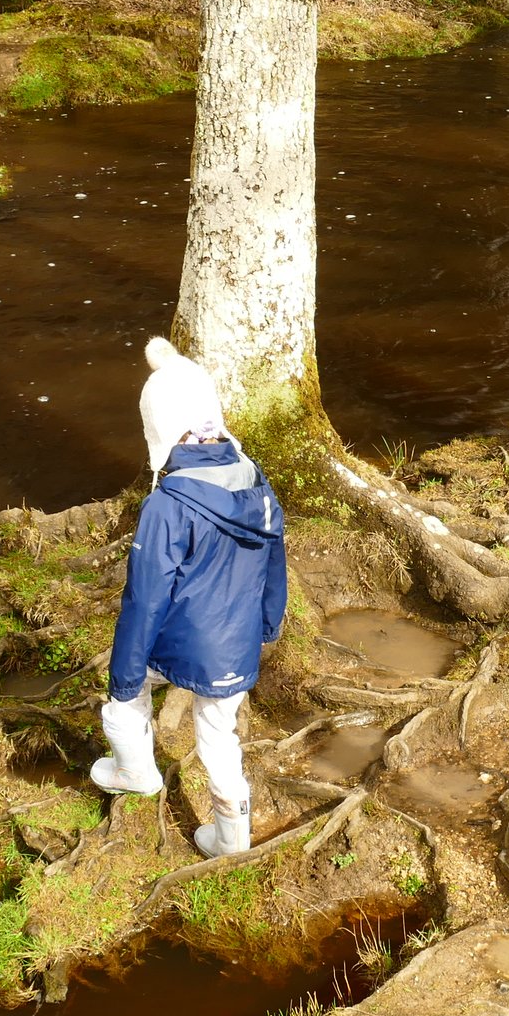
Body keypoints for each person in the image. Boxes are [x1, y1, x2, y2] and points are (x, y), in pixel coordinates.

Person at [91, 338, 289, 857]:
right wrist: (268, 625)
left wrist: (123, 674)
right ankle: (231, 837)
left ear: (158, 430)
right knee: (219, 737)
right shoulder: (256, 482)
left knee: (132, 686)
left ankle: (135, 770)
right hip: (238, 643)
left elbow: (144, 599)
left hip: (178, 643)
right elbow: (275, 561)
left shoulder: (167, 504)